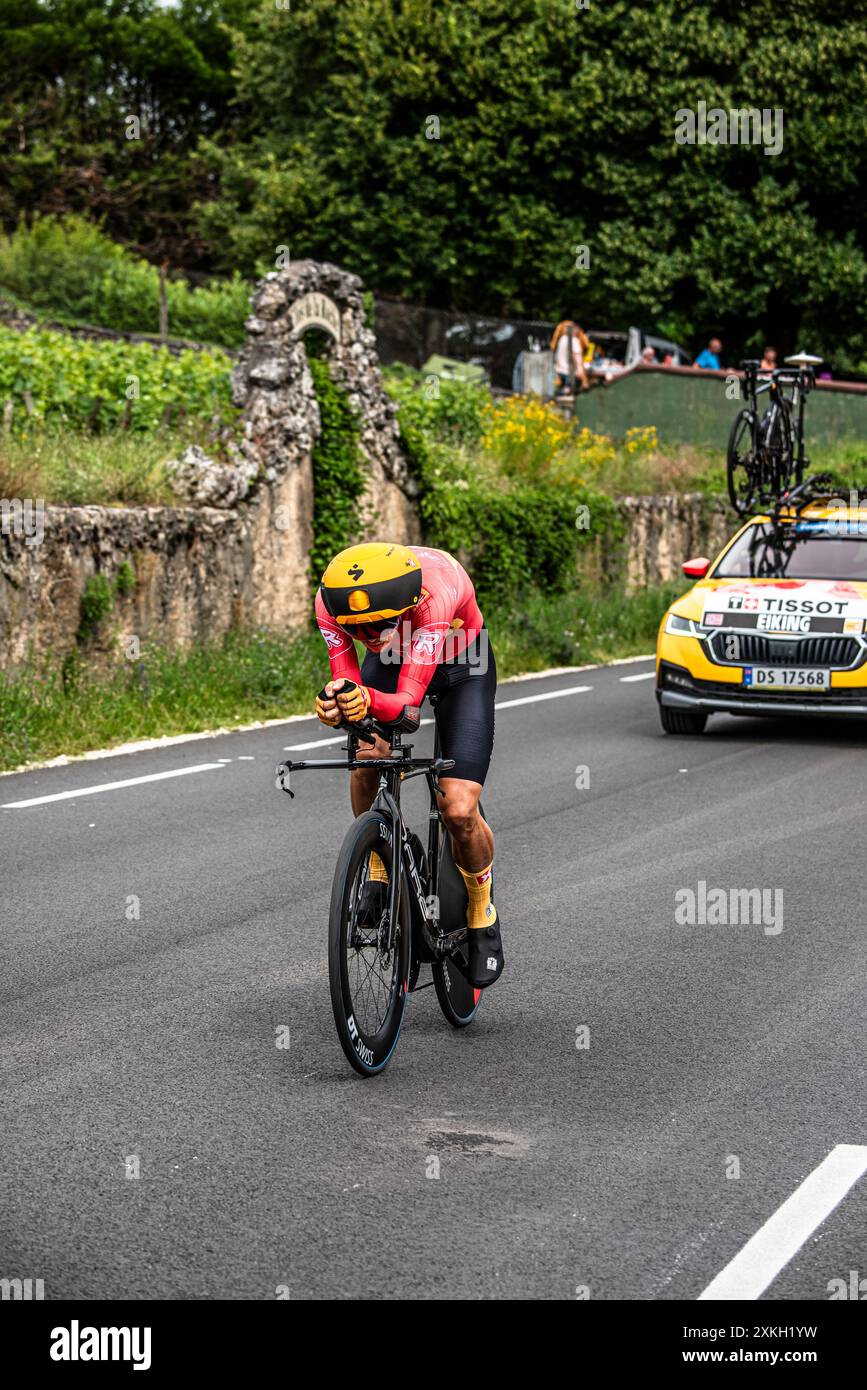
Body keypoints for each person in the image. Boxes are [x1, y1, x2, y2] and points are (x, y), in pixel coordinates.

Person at [315, 542, 503, 989]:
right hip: (396, 658)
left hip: (461, 665)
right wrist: (337, 704)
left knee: (458, 807)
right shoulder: (330, 602)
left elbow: (406, 709)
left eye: (379, 623)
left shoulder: (434, 594)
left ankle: (481, 907)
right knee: (366, 761)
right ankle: (381, 864)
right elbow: (348, 678)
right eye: (357, 629)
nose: (369, 634)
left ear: (409, 602)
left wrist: (365, 701)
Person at [551, 317, 589, 394]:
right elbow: (577, 356)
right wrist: (580, 371)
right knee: (571, 394)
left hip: (560, 371)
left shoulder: (561, 339)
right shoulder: (574, 340)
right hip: (570, 372)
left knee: (561, 392)